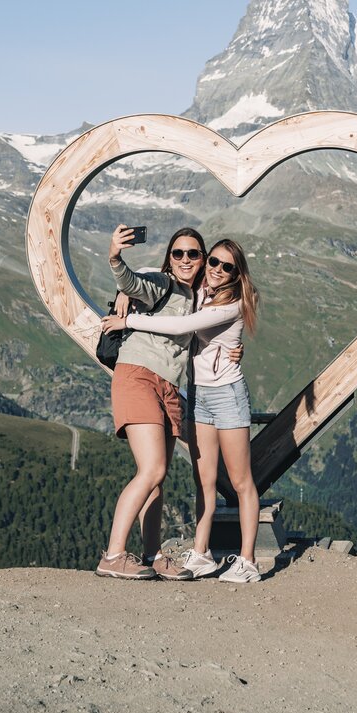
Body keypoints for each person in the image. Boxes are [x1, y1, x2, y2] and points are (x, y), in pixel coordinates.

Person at [102, 238, 262, 583]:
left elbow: (180, 328)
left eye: (226, 266)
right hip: (197, 393)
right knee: (198, 479)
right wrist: (121, 277)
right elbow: (147, 276)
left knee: (238, 480)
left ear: (237, 273)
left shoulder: (230, 302)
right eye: (214, 263)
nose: (217, 269)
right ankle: (200, 553)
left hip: (223, 394)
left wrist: (129, 320)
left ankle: (247, 561)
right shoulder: (197, 293)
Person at [94, 225, 204, 580]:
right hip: (138, 375)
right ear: (169, 258)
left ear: (202, 259)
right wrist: (114, 257)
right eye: (178, 253)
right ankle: (112, 555)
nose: (185, 259)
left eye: (193, 254)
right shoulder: (160, 283)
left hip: (170, 387)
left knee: (159, 479)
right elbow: (132, 282)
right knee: (152, 469)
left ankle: (153, 555)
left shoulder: (199, 296)